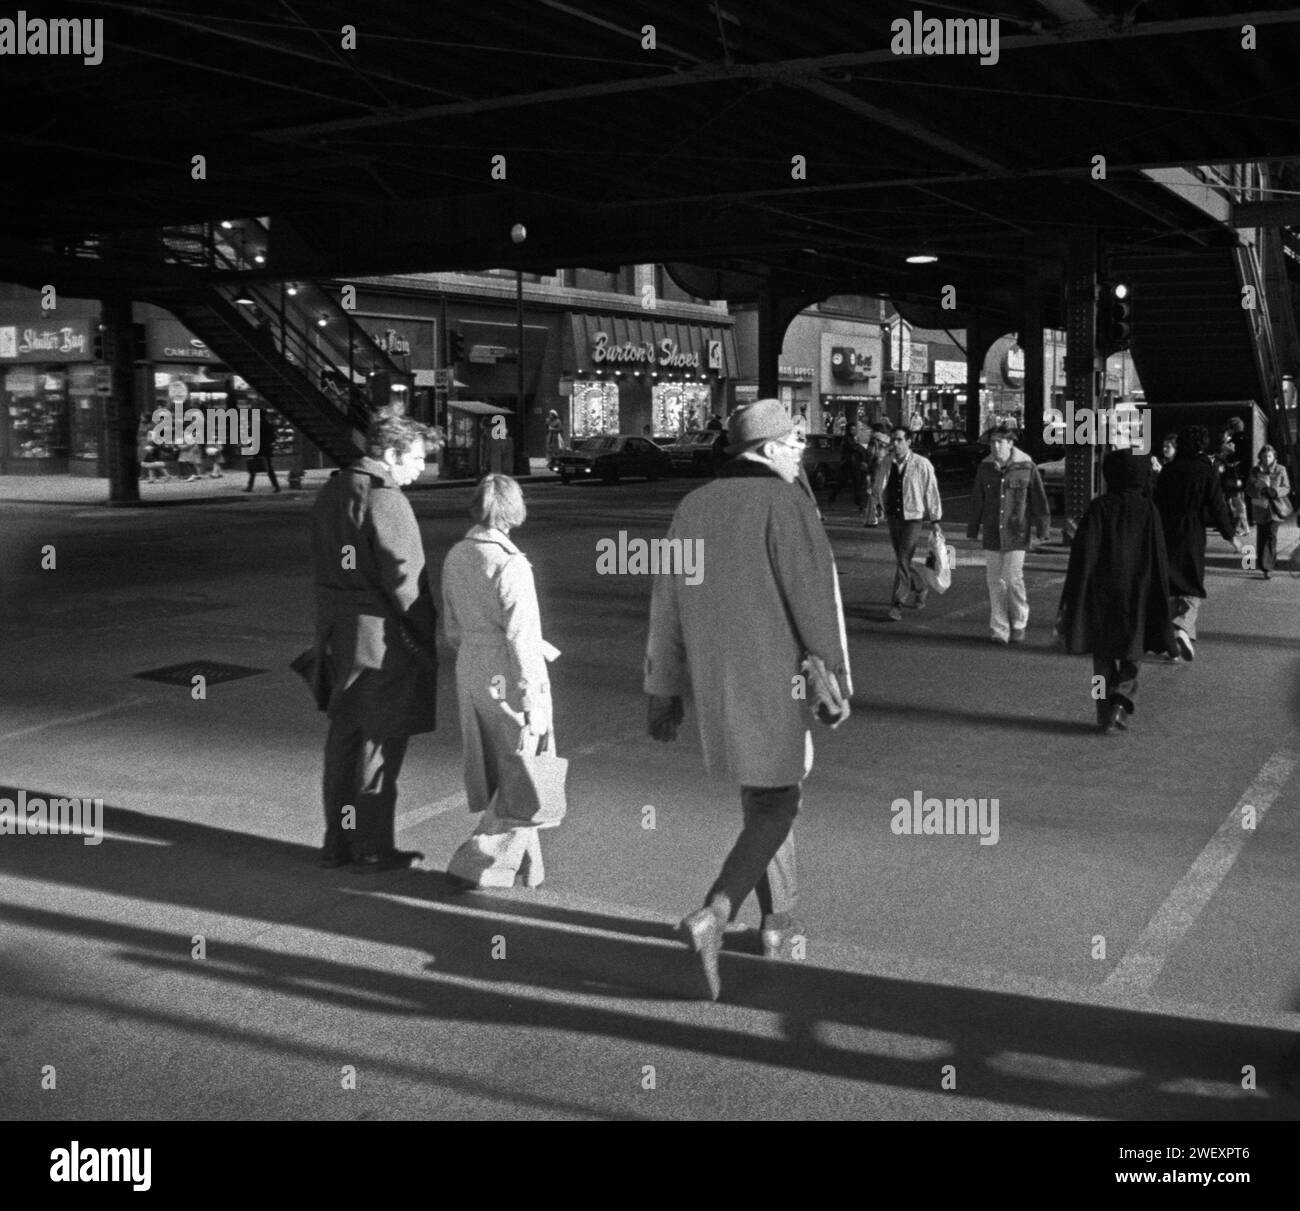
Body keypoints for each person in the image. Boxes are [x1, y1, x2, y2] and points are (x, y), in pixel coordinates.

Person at [645, 398, 852, 1001]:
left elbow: (667, 602)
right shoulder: (785, 503)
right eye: (795, 443)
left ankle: (778, 924)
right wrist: (832, 679)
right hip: (776, 679)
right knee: (779, 802)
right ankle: (715, 912)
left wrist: (663, 687)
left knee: (762, 797)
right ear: (766, 449)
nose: (802, 453)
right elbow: (812, 599)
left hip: (717, 683)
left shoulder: (691, 505)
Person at [309, 415, 441, 870]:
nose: (421, 469)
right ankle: (372, 846)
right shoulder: (387, 499)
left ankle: (337, 842)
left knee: (344, 739)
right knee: (379, 745)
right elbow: (407, 581)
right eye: (418, 458)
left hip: (336, 633)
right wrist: (427, 637)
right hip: (380, 637)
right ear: (391, 454)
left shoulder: (333, 489)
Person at [443, 475, 561, 889]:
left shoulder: (458, 554)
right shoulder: (511, 563)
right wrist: (534, 702)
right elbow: (521, 639)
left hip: (471, 666)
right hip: (508, 671)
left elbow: (451, 627)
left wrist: (478, 647)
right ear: (513, 509)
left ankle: (530, 868)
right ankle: (476, 860)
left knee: (509, 765)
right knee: (523, 764)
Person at [1055, 452, 1176, 733]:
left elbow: (1083, 555)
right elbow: (1159, 557)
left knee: (1102, 656)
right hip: (1138, 591)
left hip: (1102, 593)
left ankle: (1103, 710)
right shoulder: (1148, 510)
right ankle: (1122, 700)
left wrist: (1074, 594)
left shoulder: (1100, 507)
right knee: (1133, 652)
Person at [1153, 424, 1243, 661]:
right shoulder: (1207, 470)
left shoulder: (1169, 470)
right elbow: (1217, 505)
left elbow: (1157, 502)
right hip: (1193, 532)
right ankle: (1181, 627)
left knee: (1172, 585)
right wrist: (1230, 535)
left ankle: (1174, 644)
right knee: (1192, 585)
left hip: (1167, 532)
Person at [967, 426, 1050, 644]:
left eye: (1000, 442)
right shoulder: (985, 468)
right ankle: (999, 628)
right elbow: (978, 499)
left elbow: (1038, 499)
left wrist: (1043, 528)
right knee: (995, 581)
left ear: (1011, 443)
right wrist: (973, 529)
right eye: (992, 442)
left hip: (1017, 532)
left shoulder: (1026, 466)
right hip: (993, 532)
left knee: (1013, 579)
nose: (995, 446)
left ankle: (1020, 621)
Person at [883, 427, 942, 621]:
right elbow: (879, 485)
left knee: (903, 558)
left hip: (913, 518)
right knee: (903, 559)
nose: (896, 444)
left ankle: (897, 604)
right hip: (893, 516)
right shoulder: (886, 462)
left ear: (909, 442)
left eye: (900, 440)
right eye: (894, 440)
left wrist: (935, 520)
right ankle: (921, 585)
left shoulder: (921, 464)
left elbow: (931, 492)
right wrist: (877, 504)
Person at [1245, 445, 1292, 580]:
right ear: (1260, 457)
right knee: (1262, 536)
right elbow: (1248, 489)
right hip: (1260, 507)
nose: (1267, 459)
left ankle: (1267, 567)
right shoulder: (1255, 471)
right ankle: (1265, 562)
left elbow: (1287, 487)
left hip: (1276, 508)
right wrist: (1259, 491)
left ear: (1274, 457)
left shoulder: (1280, 469)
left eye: (1269, 456)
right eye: (1264, 456)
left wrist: (1275, 492)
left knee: (1271, 536)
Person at [828, 422, 868, 515]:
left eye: (855, 429)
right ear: (849, 430)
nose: (854, 431)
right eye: (852, 429)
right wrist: (864, 450)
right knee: (844, 483)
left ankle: (860, 504)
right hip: (848, 464)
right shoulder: (847, 439)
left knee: (856, 483)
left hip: (854, 464)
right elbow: (855, 448)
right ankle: (832, 497)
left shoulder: (853, 438)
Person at [245, 409, 281, 493]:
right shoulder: (269, 425)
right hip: (266, 449)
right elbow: (273, 438)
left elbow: (249, 437)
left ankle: (250, 487)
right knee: (269, 468)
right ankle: (276, 486)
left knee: (254, 468)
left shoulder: (255, 425)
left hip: (257, 449)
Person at [864, 428, 890, 526]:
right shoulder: (885, 441)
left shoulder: (874, 440)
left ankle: (872, 518)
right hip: (882, 465)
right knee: (878, 492)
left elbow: (871, 454)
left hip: (876, 465)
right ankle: (876, 515)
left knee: (873, 493)